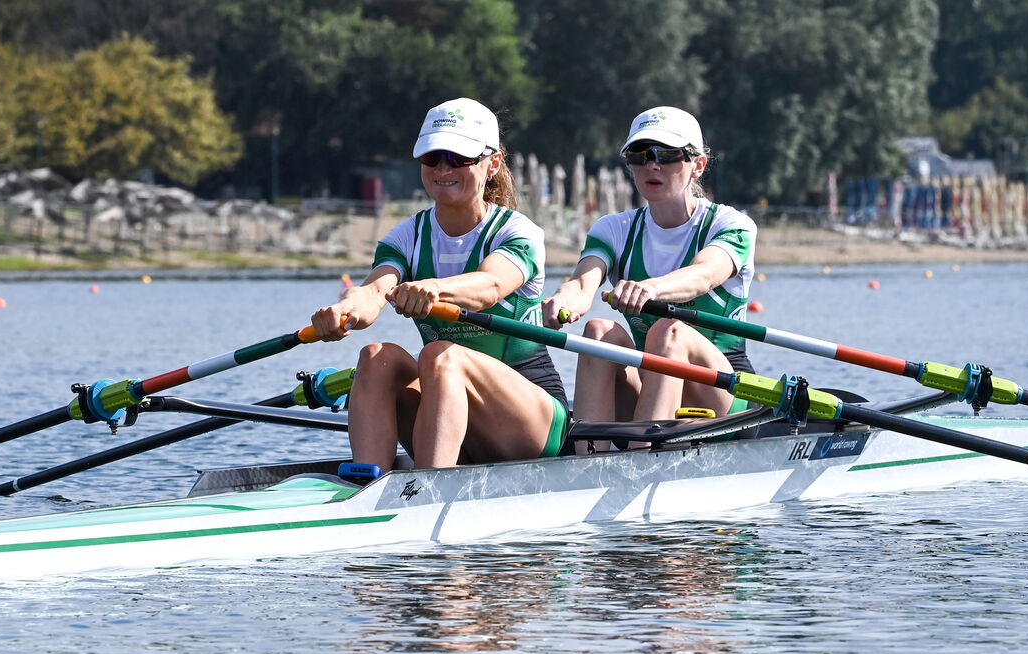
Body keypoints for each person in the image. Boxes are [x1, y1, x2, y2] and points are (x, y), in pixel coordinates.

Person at [311, 97, 568, 471]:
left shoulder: (517, 232)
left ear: (493, 163)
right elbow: (373, 292)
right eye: (433, 158)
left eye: (459, 158)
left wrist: (434, 289)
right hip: (451, 409)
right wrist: (343, 311)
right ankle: (365, 483)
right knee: (376, 357)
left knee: (440, 354)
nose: (444, 168)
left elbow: (490, 285)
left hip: (532, 420)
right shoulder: (406, 237)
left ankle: (430, 484)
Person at [542, 106, 757, 453]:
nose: (652, 165)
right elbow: (583, 283)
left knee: (668, 330)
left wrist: (650, 287)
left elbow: (703, 275)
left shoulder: (731, 225)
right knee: (598, 331)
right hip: (654, 389)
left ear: (698, 165)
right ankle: (588, 460)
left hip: (727, 398)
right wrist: (562, 301)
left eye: (667, 155)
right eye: (640, 155)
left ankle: (639, 460)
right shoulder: (614, 229)